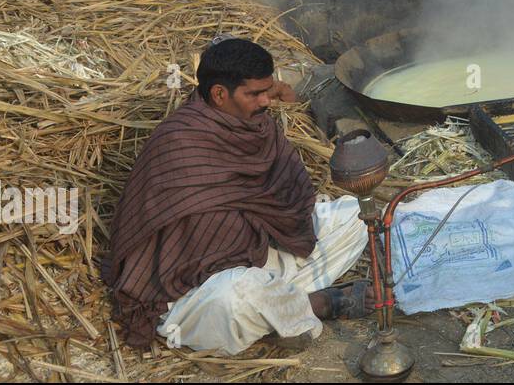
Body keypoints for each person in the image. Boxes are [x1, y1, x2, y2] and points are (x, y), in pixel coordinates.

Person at [101, 37, 369, 354]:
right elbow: (163, 240)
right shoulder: (177, 142)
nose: (266, 102)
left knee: (351, 219)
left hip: (256, 251)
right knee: (236, 298)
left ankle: (279, 305)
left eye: (267, 91)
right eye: (254, 94)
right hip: (196, 284)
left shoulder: (257, 127)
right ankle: (314, 302)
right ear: (219, 94)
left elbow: (290, 200)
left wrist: (270, 222)